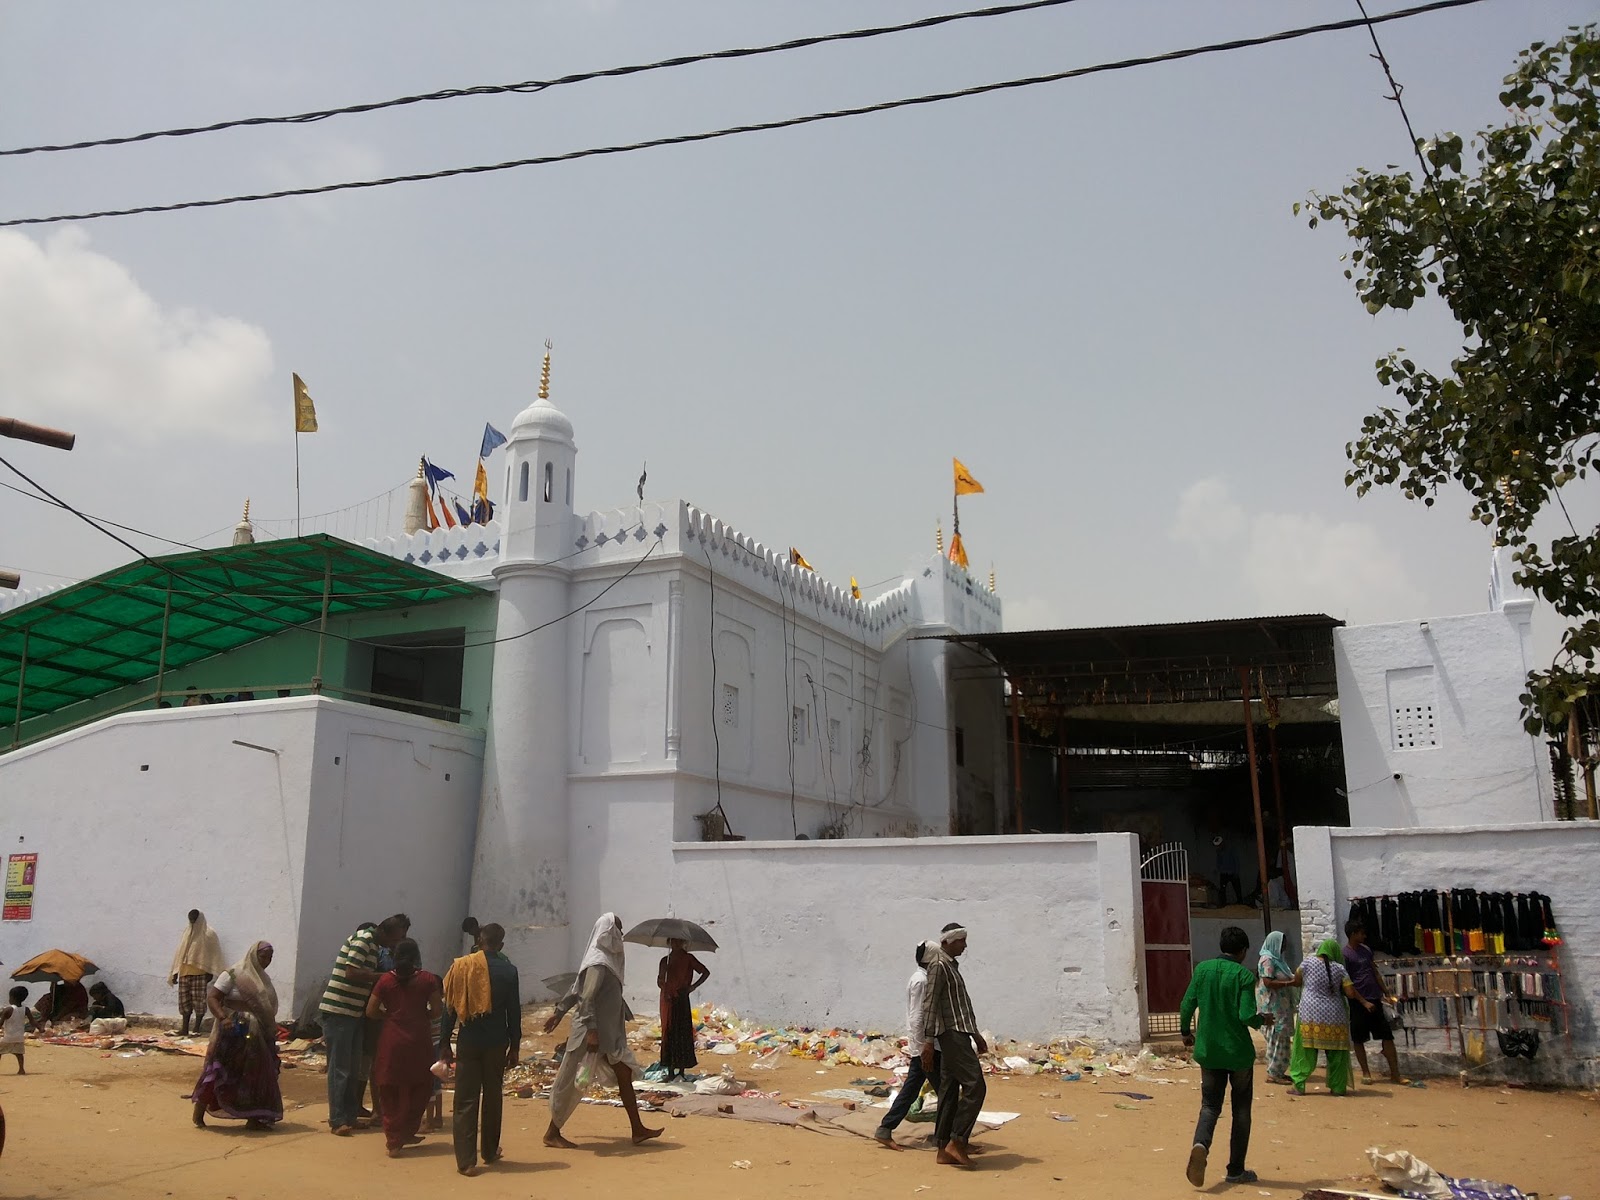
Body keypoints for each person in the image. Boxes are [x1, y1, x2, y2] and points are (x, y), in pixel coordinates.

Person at [543, 913, 662, 1150]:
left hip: (609, 1035)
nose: (621, 935)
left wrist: (560, 1011)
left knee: (624, 1073)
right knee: (569, 1082)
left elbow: (582, 991)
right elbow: (585, 996)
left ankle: (637, 1129)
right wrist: (591, 1031)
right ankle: (552, 1132)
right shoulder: (598, 963)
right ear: (608, 933)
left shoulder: (608, 961)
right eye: (618, 930)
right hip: (590, 1034)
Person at [1181, 926, 1270, 1188]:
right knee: (1241, 1110)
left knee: (1210, 1106)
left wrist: (1186, 1033)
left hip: (1209, 1051)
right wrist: (1262, 1020)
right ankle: (1235, 1170)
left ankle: (1201, 1144)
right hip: (1237, 1053)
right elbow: (1246, 1015)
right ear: (1242, 951)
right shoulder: (1243, 975)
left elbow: (1187, 1004)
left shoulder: (1202, 970)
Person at [440, 922, 522, 1176]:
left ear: (479, 942)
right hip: (497, 1042)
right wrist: (515, 1046)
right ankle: (490, 1150)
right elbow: (514, 1012)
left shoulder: (462, 966)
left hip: (469, 1040)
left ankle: (466, 1161)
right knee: (493, 1096)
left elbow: (450, 1007)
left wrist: (444, 1042)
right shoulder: (509, 971)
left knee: (465, 1098)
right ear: (501, 945)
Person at [320, 916, 404, 1135]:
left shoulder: (374, 946)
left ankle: (350, 1116)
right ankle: (337, 1119)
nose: (394, 944)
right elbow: (351, 972)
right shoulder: (363, 940)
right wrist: (384, 977)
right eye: (394, 939)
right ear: (384, 932)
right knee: (339, 1068)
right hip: (339, 1011)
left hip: (354, 1012)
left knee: (352, 1067)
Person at [188, 941, 283, 1130]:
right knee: (223, 1070)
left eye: (270, 957)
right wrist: (223, 1018)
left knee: (256, 1074)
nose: (266, 961)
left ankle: (254, 1118)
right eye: (263, 956)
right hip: (234, 1033)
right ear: (253, 955)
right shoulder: (233, 974)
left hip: (258, 1035)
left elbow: (267, 1007)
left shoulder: (264, 980)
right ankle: (200, 1110)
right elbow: (213, 997)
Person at [365, 938, 442, 1157]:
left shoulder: (385, 981)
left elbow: (370, 1011)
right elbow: (437, 1010)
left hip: (392, 1039)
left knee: (390, 1088)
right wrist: (421, 1016)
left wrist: (390, 1017)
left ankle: (394, 1138)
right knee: (420, 1085)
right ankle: (407, 1130)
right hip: (419, 1039)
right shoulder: (427, 979)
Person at [920, 922, 987, 1169]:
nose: (965, 946)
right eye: (961, 941)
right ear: (948, 941)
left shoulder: (951, 967)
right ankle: (956, 1141)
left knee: (949, 1091)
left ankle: (943, 1147)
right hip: (951, 1035)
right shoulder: (939, 966)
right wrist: (928, 1041)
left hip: (960, 1032)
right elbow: (930, 1004)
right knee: (975, 1087)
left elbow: (961, 1005)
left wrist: (975, 1034)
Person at [1288, 937, 1375, 1095]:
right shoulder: (1340, 969)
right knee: (1337, 1054)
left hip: (1310, 1015)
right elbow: (1350, 993)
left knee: (1305, 1052)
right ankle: (1338, 1087)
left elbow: (1297, 980)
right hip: (1335, 1016)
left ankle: (1298, 1085)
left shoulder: (1307, 963)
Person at [875, 940, 940, 1150]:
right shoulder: (921, 981)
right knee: (945, 1092)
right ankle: (948, 1139)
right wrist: (925, 1047)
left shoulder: (921, 978)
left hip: (923, 1046)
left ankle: (885, 1128)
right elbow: (917, 1017)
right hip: (925, 1047)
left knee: (912, 1089)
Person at [1344, 919, 1408, 1085]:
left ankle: (1395, 1074)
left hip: (1375, 998)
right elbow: (1347, 982)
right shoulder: (1345, 955)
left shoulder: (1366, 950)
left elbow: (1375, 972)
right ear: (1353, 934)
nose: (1364, 936)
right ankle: (1366, 1073)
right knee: (1359, 1038)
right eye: (1361, 933)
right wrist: (1363, 1001)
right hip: (1358, 1002)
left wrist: (1386, 993)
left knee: (1387, 1035)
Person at [656, 937, 709, 1081]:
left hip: (681, 998)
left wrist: (693, 987)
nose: (676, 944)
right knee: (669, 1032)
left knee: (682, 1032)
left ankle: (681, 1070)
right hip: (668, 1000)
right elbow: (659, 980)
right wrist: (663, 983)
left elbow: (705, 972)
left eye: (679, 942)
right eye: (673, 942)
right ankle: (670, 1070)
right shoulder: (664, 961)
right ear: (669, 943)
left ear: (683, 943)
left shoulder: (688, 959)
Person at [170, 909, 227, 1037]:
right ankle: (184, 1029)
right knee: (184, 1002)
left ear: (199, 918)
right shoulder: (186, 933)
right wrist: (175, 972)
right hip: (184, 972)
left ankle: (196, 1028)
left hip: (200, 973)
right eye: (190, 919)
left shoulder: (209, 934)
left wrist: (210, 971)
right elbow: (180, 953)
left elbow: (214, 954)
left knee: (199, 1001)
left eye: (194, 919)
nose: (192, 922)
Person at [1256, 931, 1297, 1084]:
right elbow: (1268, 982)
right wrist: (1290, 983)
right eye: (1282, 943)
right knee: (1277, 1037)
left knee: (1282, 1037)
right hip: (1273, 1005)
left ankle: (1279, 1070)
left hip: (1282, 1004)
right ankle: (1274, 1073)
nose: (1284, 946)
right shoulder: (1267, 960)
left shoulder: (1279, 960)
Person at [0, 986, 43, 1075]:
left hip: (8, 1037)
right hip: (19, 1037)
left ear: (12, 998)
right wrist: (40, 1028)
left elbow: (1, 1023)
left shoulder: (8, 1009)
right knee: (19, 1054)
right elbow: (33, 1021)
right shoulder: (25, 1009)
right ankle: (21, 1069)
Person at [1215, 837, 1243, 906]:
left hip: (1232, 873)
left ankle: (1240, 903)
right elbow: (1218, 862)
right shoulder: (1219, 852)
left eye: (1219, 845)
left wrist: (1236, 872)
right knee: (1223, 889)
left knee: (1237, 889)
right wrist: (1219, 869)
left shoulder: (1231, 850)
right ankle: (1223, 904)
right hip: (1224, 873)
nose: (1218, 847)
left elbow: (1236, 861)